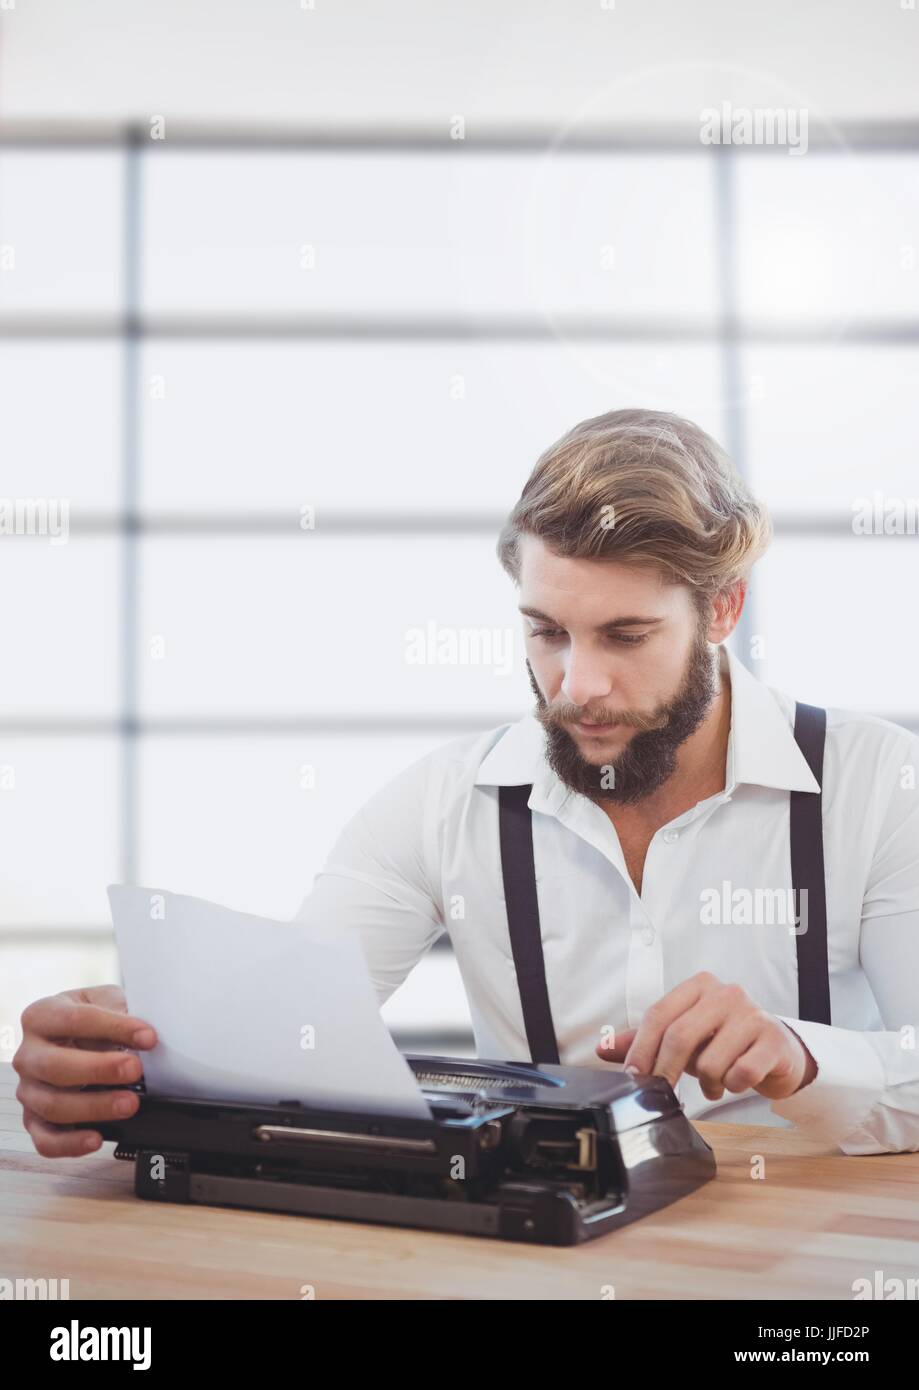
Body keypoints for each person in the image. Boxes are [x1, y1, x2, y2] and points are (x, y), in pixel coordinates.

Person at [14, 408, 919, 1157]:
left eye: (625, 636)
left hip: (811, 1252)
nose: (577, 686)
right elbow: (285, 1035)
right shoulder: (439, 806)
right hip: (545, 1257)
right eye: (546, 632)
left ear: (722, 609)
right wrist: (129, 1059)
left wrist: (801, 1058)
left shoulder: (879, 786)